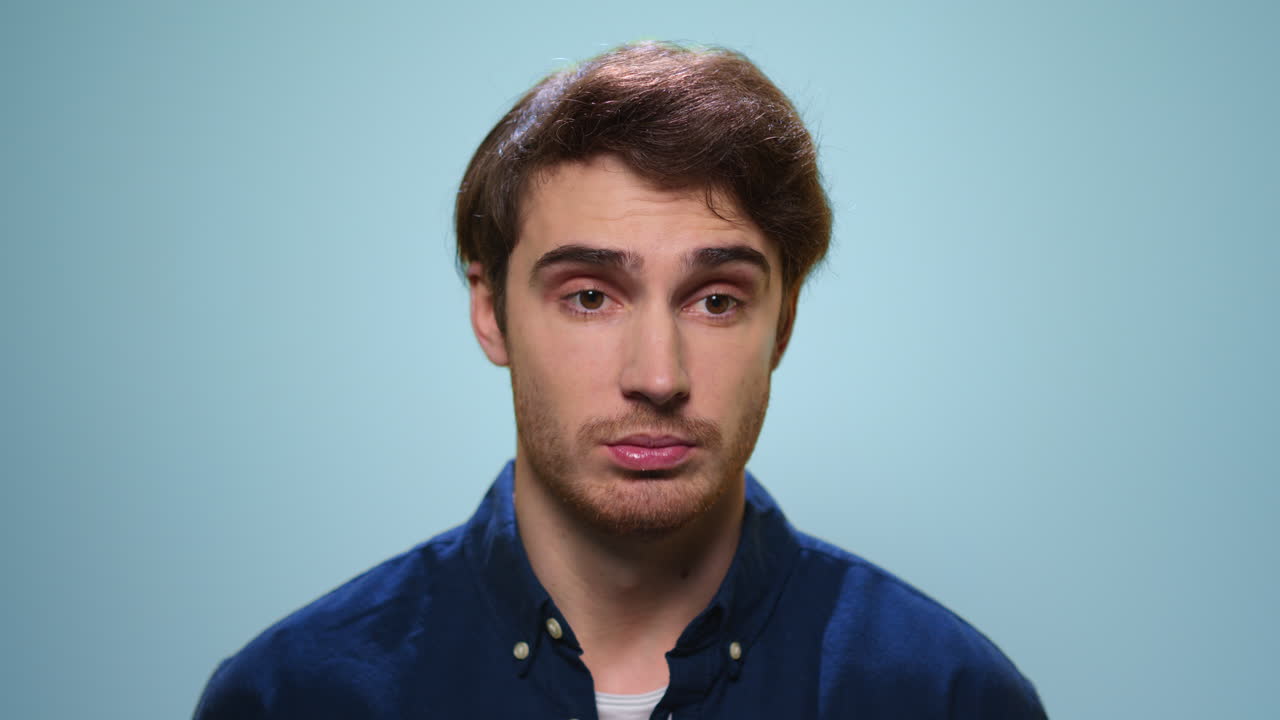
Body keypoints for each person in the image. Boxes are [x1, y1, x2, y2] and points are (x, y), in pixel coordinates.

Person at [194, 41, 1046, 719]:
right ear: (490, 312)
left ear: (782, 325)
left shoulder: (947, 697)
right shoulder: (295, 697)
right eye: (590, 296)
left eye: (716, 300)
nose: (658, 376)